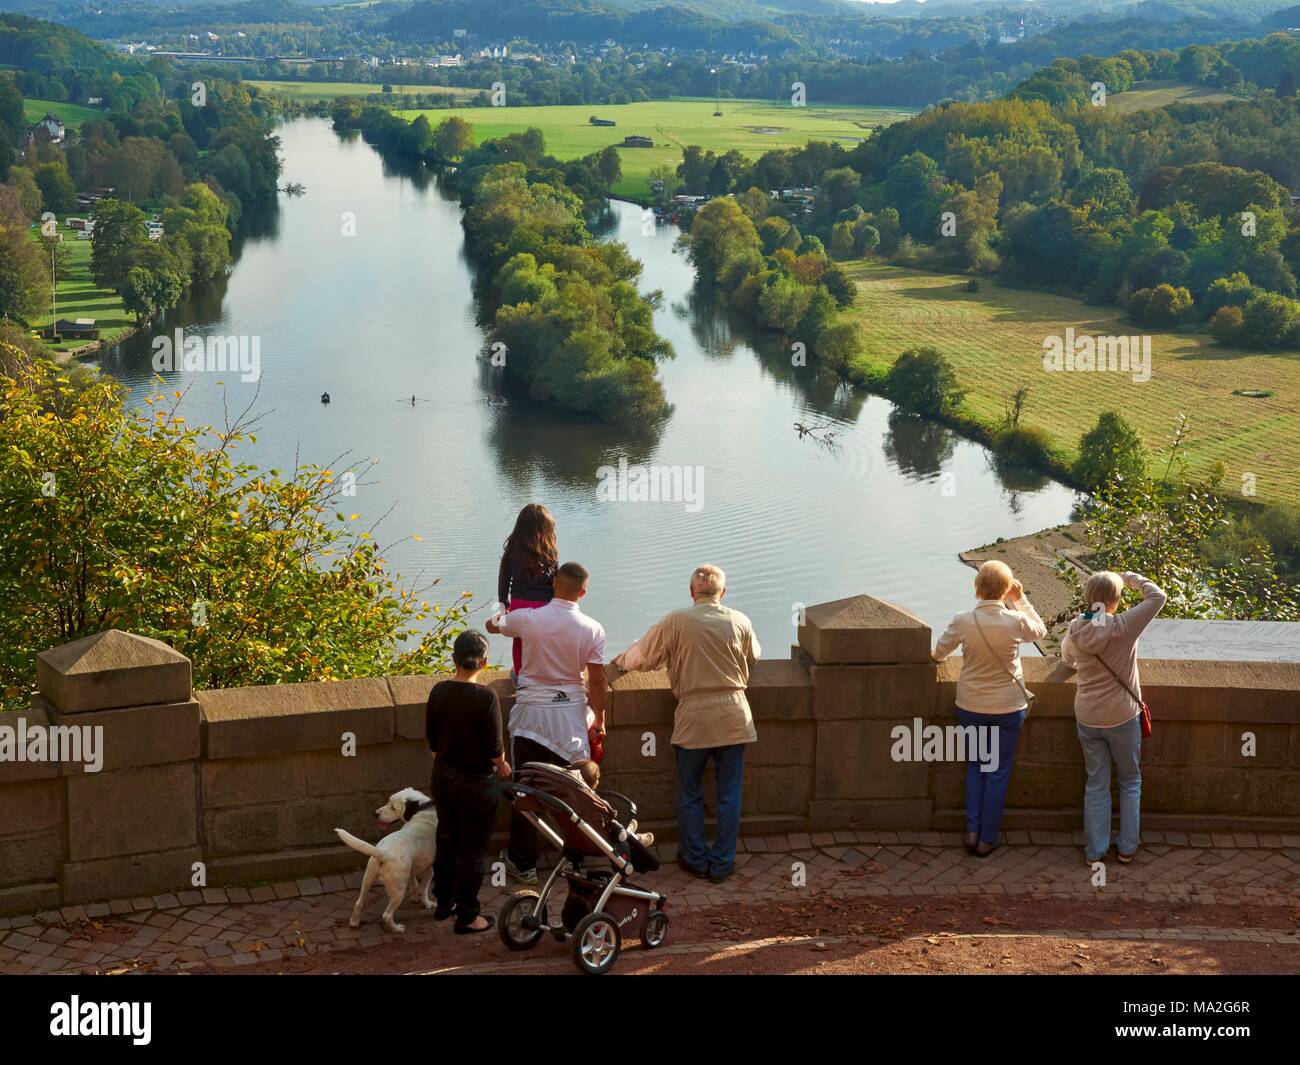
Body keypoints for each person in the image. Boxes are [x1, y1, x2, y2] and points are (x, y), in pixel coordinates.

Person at [612, 564, 759, 884]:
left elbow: (643, 656)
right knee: (729, 793)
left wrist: (619, 663)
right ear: (723, 593)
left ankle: (694, 858)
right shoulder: (740, 620)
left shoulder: (676, 620)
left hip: (694, 716)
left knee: (690, 790)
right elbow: (753, 657)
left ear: (692, 592)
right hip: (734, 714)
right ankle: (722, 863)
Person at [487, 561, 606, 884]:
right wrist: (600, 719)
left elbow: (492, 625)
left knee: (527, 790)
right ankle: (576, 861)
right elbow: (597, 681)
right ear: (583, 591)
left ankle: (523, 864)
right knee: (576, 794)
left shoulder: (529, 619)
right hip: (572, 719)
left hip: (532, 717)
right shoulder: (593, 629)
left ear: (554, 583)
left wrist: (504, 605)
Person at [932, 560, 1046, 857]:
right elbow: (1041, 631)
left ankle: (971, 831)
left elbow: (938, 653)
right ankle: (988, 838)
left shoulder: (963, 620)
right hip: (1008, 708)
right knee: (997, 772)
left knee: (976, 768)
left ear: (977, 588)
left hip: (971, 705)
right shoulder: (1015, 622)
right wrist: (1019, 599)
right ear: (1006, 589)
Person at [1061, 571, 1166, 865]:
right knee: (1130, 780)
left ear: (1087, 599)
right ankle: (1127, 847)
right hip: (1121, 715)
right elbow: (1158, 597)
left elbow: (1067, 658)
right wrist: (1130, 577)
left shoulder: (1075, 627)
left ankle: (1095, 850)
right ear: (1115, 601)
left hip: (1088, 714)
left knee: (1096, 782)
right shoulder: (1125, 625)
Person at [425, 629, 512, 934]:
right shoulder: (486, 697)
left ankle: (443, 902)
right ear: (484, 663)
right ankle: (468, 915)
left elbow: (433, 743)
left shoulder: (438, 691)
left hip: (444, 778)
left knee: (446, 840)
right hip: (476, 785)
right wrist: (503, 767)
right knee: (472, 850)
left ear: (453, 659)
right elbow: (494, 749)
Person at [497, 504, 559, 681]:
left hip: (519, 604)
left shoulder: (512, 550)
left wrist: (503, 605)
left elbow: (503, 579)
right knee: (544, 641)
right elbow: (556, 581)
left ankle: (520, 674)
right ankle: (544, 672)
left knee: (519, 641)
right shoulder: (551, 551)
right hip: (545, 605)